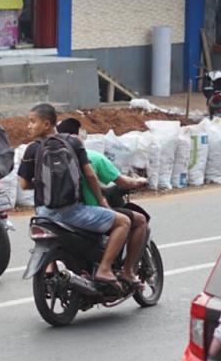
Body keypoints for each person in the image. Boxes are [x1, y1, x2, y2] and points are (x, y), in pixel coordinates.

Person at [17, 104, 130, 286]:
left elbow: (23, 184)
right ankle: (104, 268)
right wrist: (101, 201)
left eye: (32, 121)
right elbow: (90, 175)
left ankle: (51, 267)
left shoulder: (31, 149)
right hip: (72, 212)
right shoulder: (73, 142)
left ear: (46, 124)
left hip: (43, 215)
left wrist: (43, 184)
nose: (28, 126)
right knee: (124, 222)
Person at [56, 118, 149, 287]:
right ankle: (126, 271)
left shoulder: (52, 157)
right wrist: (140, 181)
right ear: (78, 137)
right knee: (140, 221)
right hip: (89, 212)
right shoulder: (93, 157)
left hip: (60, 212)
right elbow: (123, 182)